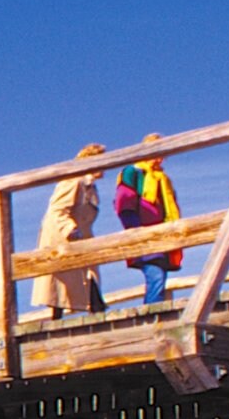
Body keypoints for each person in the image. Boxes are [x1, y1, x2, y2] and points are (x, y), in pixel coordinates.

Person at [36, 144, 108, 317]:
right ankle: (64, 321)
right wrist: (70, 229)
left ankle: (97, 314)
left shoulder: (90, 186)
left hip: (81, 238)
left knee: (87, 278)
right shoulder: (74, 181)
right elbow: (57, 209)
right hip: (62, 237)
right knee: (60, 283)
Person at [116, 135, 182, 304]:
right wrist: (136, 230)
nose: (160, 158)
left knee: (159, 276)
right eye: (157, 152)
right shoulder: (133, 172)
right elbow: (124, 202)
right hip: (145, 235)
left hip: (164, 236)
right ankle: (152, 318)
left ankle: (153, 315)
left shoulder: (163, 179)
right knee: (156, 276)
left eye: (163, 154)